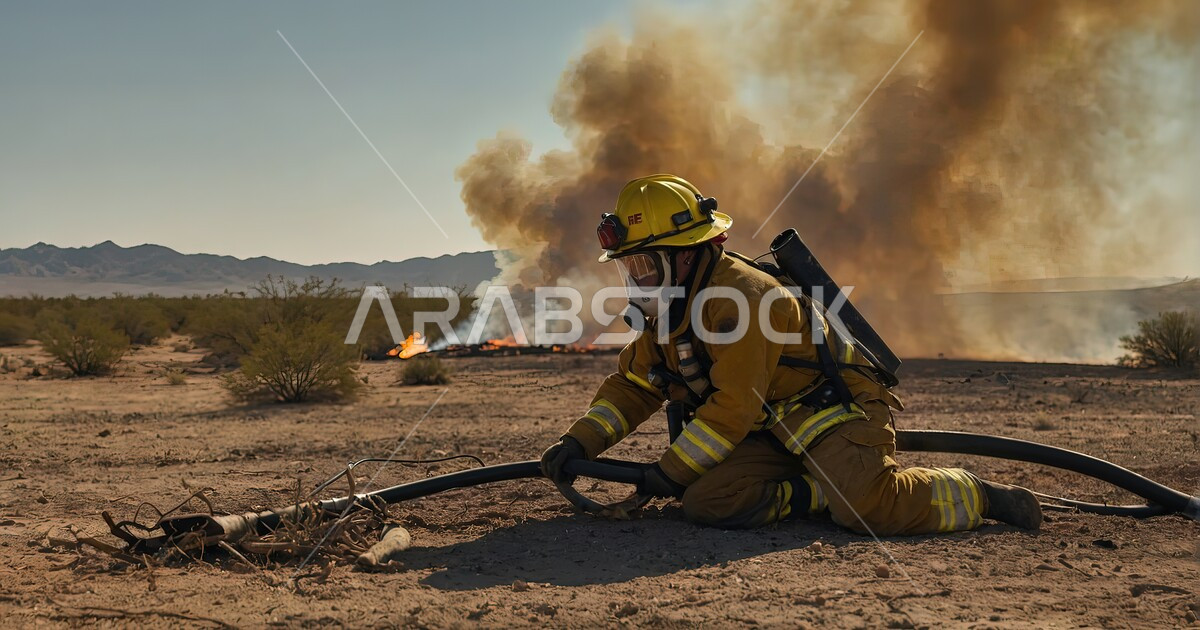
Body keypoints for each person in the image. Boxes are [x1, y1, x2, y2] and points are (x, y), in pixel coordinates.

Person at [540, 174, 1042, 534]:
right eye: (630, 267)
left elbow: (732, 408)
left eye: (645, 264)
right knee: (707, 502)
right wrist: (579, 443)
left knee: (869, 510)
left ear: (686, 253)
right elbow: (633, 385)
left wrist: (665, 472)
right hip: (771, 428)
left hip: (833, 414)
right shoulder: (671, 307)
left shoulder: (744, 299)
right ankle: (821, 488)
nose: (636, 280)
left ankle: (980, 495)